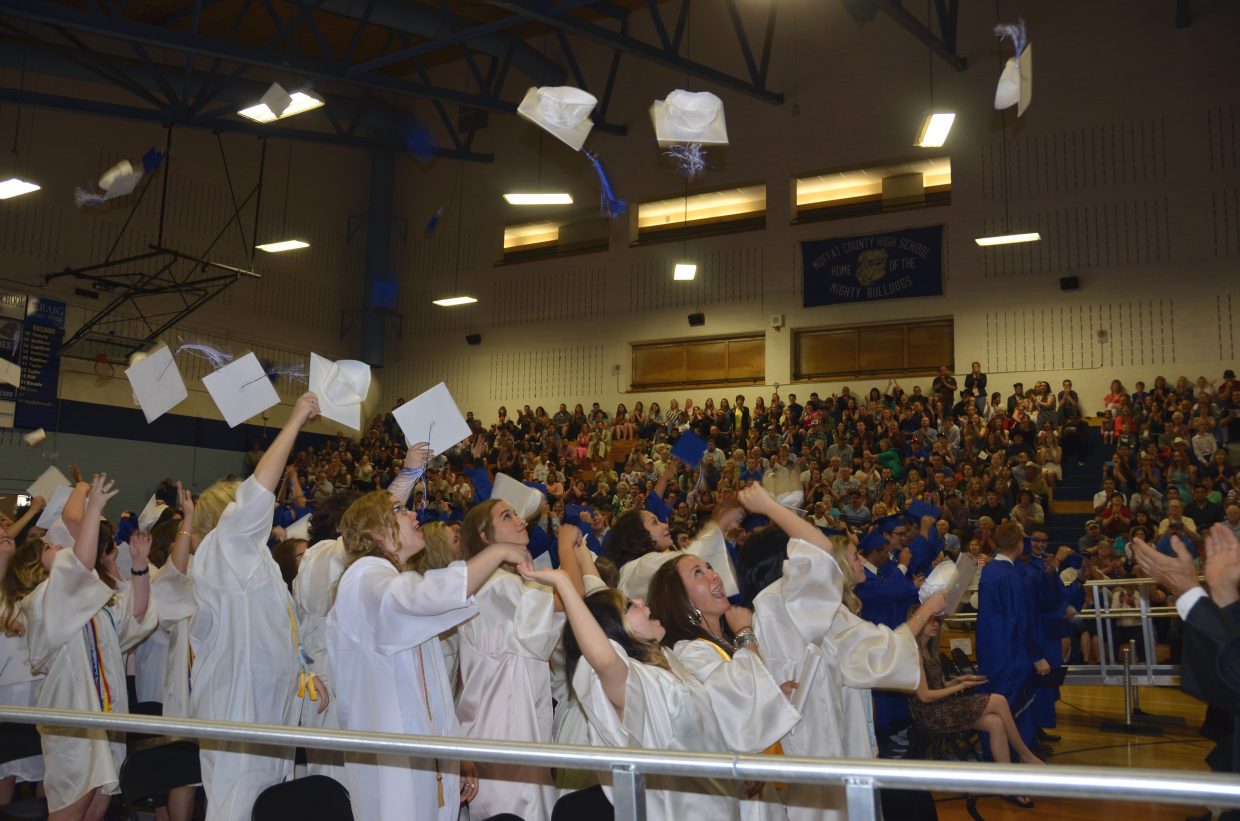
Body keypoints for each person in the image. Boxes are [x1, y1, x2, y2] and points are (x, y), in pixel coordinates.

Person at [326, 489, 530, 821]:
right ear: (375, 531)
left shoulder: (394, 580)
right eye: (398, 510)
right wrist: (497, 552)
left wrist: (454, 751)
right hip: (393, 759)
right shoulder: (362, 579)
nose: (413, 515)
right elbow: (427, 597)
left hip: (425, 758)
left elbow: (430, 689)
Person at [188, 393, 326, 821]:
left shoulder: (256, 560)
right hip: (239, 705)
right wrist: (297, 418)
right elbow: (259, 492)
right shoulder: (224, 548)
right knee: (237, 808)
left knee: (267, 806)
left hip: (269, 706)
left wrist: (306, 674)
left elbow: (282, 630)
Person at [520, 555, 742, 820]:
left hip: (717, 802)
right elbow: (603, 659)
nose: (640, 601)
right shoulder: (633, 683)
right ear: (615, 634)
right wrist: (565, 584)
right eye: (628, 607)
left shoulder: (668, 659)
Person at [22, 474, 157, 820]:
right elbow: (79, 564)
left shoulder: (95, 603)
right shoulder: (44, 600)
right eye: (51, 547)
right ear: (37, 566)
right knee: (72, 806)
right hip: (73, 719)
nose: (60, 549)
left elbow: (136, 616)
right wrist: (91, 502)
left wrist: (139, 564)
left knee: (97, 804)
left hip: (105, 715)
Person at [455, 498, 566, 821]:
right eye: (507, 516)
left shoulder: (510, 582)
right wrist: (570, 552)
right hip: (502, 728)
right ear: (485, 538)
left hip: (516, 725)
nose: (520, 520)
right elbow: (568, 604)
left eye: (517, 514)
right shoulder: (495, 585)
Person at [910, 606, 1044, 808]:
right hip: (933, 715)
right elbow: (925, 696)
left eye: (937, 620)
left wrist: (958, 680)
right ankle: (1025, 755)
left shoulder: (930, 650)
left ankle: (1007, 786)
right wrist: (961, 686)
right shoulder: (914, 654)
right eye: (931, 621)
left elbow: (936, 687)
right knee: (998, 700)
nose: (936, 624)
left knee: (996, 723)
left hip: (942, 707)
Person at [975, 521, 1049, 753]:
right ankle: (1015, 763)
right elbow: (1020, 621)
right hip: (1011, 653)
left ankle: (996, 760)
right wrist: (1037, 656)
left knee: (994, 705)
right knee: (1011, 708)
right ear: (1019, 544)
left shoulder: (989, 570)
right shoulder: (1010, 576)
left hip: (991, 652)